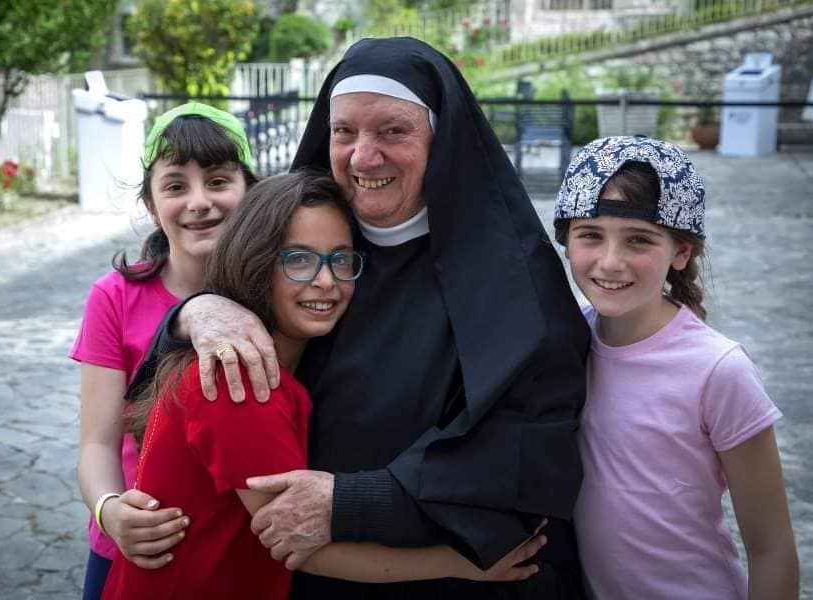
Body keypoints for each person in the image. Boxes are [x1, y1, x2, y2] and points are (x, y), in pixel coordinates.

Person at [136, 37, 591, 598]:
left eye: (393, 131)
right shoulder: (312, 235)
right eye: (344, 131)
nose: (363, 157)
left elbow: (526, 456)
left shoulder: (513, 280)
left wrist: (353, 501)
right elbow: (179, 380)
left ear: (441, 138)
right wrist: (194, 312)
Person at [101, 170, 549, 599]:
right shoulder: (239, 380)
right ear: (255, 261)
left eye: (340, 259)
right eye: (298, 259)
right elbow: (299, 543)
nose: (325, 281)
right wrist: (466, 564)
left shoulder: (280, 365)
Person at [553, 135, 799, 599]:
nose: (610, 261)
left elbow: (772, 551)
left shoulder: (718, 371)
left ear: (681, 253)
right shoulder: (564, 342)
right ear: (566, 241)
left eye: (639, 240)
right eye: (590, 235)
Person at [69, 101, 256, 599]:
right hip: (138, 550)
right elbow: (97, 444)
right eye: (175, 186)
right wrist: (110, 510)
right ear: (151, 206)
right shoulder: (114, 298)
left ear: (250, 192)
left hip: (238, 553)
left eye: (218, 181)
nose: (199, 201)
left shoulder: (273, 294)